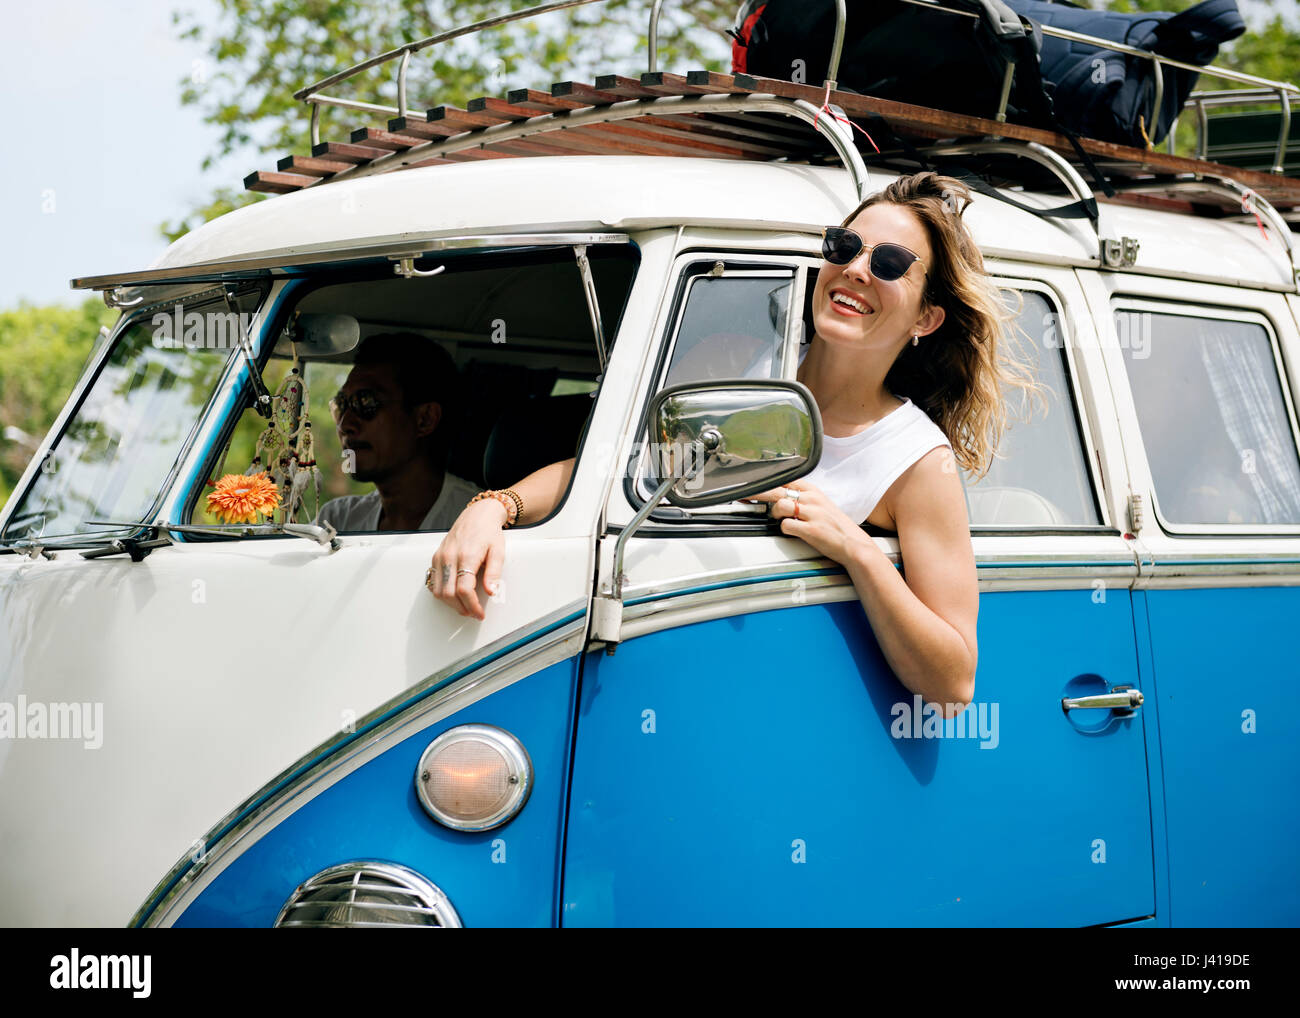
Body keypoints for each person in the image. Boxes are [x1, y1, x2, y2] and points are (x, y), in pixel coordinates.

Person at [424, 173, 1038, 715]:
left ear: (926, 319)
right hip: (651, 664)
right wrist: (491, 508)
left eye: (889, 263)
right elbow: (613, 472)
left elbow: (954, 683)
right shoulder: (732, 364)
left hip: (787, 703)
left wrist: (856, 549)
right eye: (844, 247)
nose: (854, 269)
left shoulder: (915, 461)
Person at [316, 332, 481, 533]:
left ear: (425, 419)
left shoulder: (476, 522)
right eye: (341, 405)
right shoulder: (338, 520)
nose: (345, 424)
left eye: (366, 402)